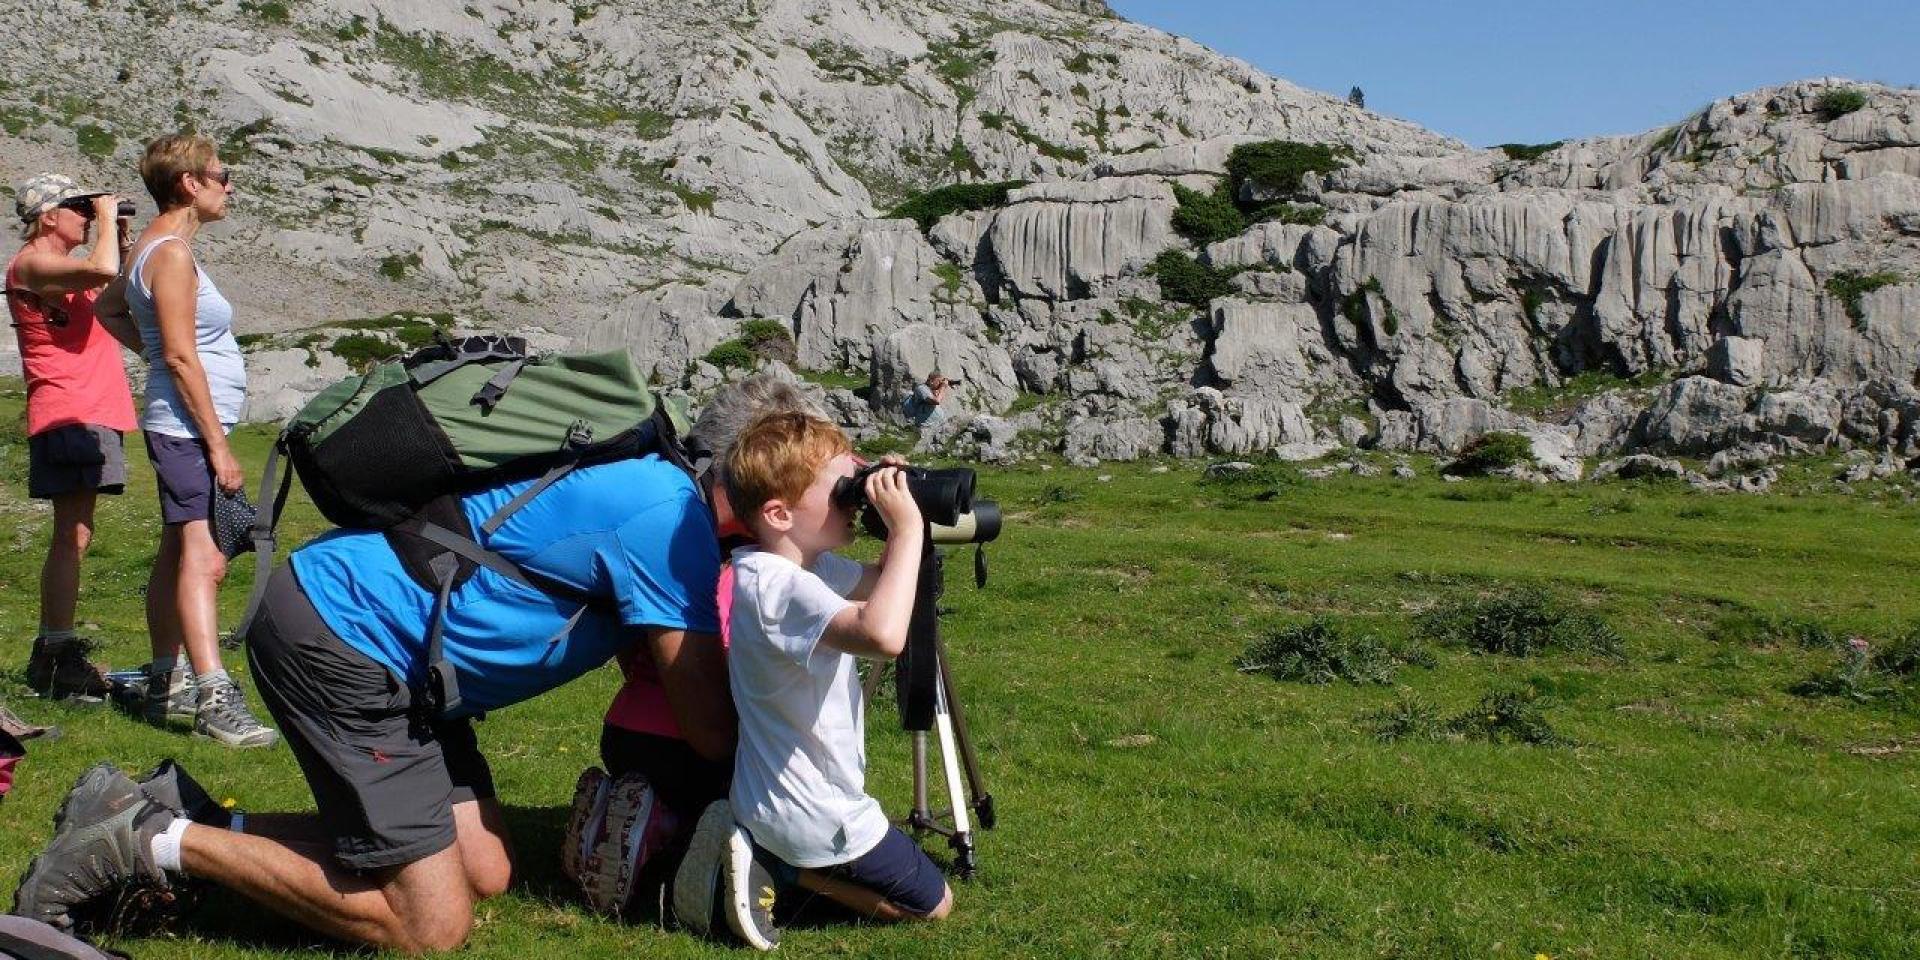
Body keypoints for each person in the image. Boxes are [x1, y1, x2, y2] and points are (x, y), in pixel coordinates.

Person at [10, 376, 794, 954]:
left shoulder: (655, 491)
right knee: (429, 923)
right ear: (760, 477)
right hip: (344, 641)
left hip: (407, 666)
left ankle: (188, 816)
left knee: (483, 870)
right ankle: (141, 838)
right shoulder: (667, 516)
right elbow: (709, 730)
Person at [676, 410, 952, 951]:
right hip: (813, 814)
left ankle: (758, 845)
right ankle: (783, 870)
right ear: (780, 513)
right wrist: (908, 526)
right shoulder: (781, 589)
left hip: (766, 796)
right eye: (841, 489)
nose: (853, 497)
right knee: (934, 905)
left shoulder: (788, 568)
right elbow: (883, 633)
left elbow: (885, 583)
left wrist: (890, 509)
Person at [100, 133, 274, 747]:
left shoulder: (154, 250)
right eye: (222, 175)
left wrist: (151, 349)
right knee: (208, 559)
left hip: (185, 425)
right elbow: (177, 353)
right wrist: (219, 448)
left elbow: (109, 311)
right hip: (187, 431)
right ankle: (214, 695)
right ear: (190, 184)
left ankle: (162, 677)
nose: (230, 186)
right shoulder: (169, 254)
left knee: (178, 552)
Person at [599, 376, 824, 818]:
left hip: (626, 721)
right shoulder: (685, 530)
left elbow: (631, 642)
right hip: (684, 743)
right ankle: (665, 835)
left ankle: (642, 816)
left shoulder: (688, 514)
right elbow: (716, 733)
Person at [7, 174, 139, 702]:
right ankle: (54, 654)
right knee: (71, 536)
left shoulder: (70, 273)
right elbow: (102, 268)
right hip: (69, 411)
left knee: (77, 535)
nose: (85, 217)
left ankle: (56, 650)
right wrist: (106, 219)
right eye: (77, 208)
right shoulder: (32, 263)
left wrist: (121, 236)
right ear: (47, 217)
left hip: (92, 411)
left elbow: (120, 289)